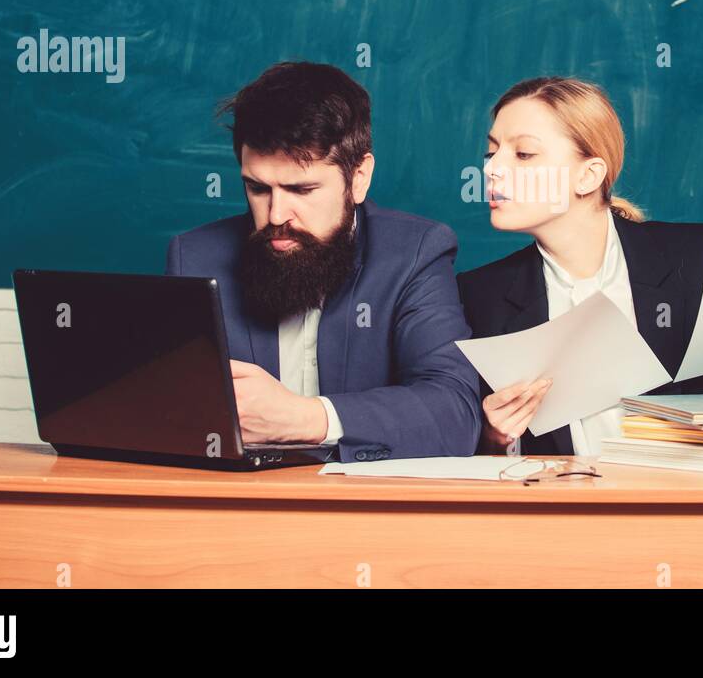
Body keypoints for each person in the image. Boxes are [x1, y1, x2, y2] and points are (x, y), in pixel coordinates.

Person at [456, 76, 703, 456]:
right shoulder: (478, 294)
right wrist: (491, 434)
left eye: (523, 153)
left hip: (690, 517)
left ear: (588, 176)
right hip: (565, 522)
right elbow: (464, 451)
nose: (492, 169)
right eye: (492, 153)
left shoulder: (698, 259)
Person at [165, 61, 482, 462]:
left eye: (303, 189)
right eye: (258, 188)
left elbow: (454, 413)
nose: (277, 214)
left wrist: (306, 418)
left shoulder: (415, 252)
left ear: (360, 177)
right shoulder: (193, 257)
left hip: (367, 514)